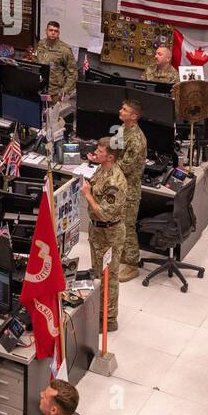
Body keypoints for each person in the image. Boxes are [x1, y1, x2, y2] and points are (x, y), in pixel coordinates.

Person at [80, 137, 127, 330]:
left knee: (109, 276)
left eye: (99, 152)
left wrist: (87, 195)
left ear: (109, 157)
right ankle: (99, 310)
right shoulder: (103, 169)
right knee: (99, 273)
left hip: (110, 233)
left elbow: (105, 214)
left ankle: (109, 319)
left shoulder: (115, 181)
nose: (95, 153)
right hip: (97, 230)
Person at [116, 98, 148, 282]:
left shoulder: (136, 139)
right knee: (119, 224)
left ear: (134, 116)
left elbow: (125, 166)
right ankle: (121, 255)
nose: (121, 110)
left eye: (124, 109)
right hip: (118, 186)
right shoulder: (122, 129)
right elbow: (115, 151)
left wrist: (107, 163)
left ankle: (132, 265)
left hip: (129, 191)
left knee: (128, 227)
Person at [33, 21, 76, 100]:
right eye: (50, 30)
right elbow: (36, 62)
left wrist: (64, 91)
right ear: (46, 31)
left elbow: (72, 74)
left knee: (53, 112)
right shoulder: (41, 44)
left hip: (56, 93)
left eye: (55, 31)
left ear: (58, 33)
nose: (53, 33)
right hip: (40, 88)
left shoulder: (65, 50)